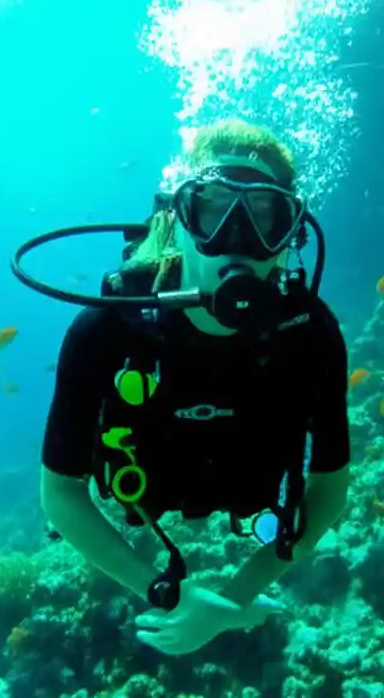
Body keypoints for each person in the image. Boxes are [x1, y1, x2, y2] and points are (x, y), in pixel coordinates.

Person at [37, 118, 352, 656]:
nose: (236, 240)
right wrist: (166, 593)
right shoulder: (107, 329)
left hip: (249, 499)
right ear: (178, 221)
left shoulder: (309, 336)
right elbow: (61, 496)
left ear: (289, 237)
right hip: (145, 500)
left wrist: (233, 599)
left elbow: (326, 495)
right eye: (211, 209)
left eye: (263, 216)